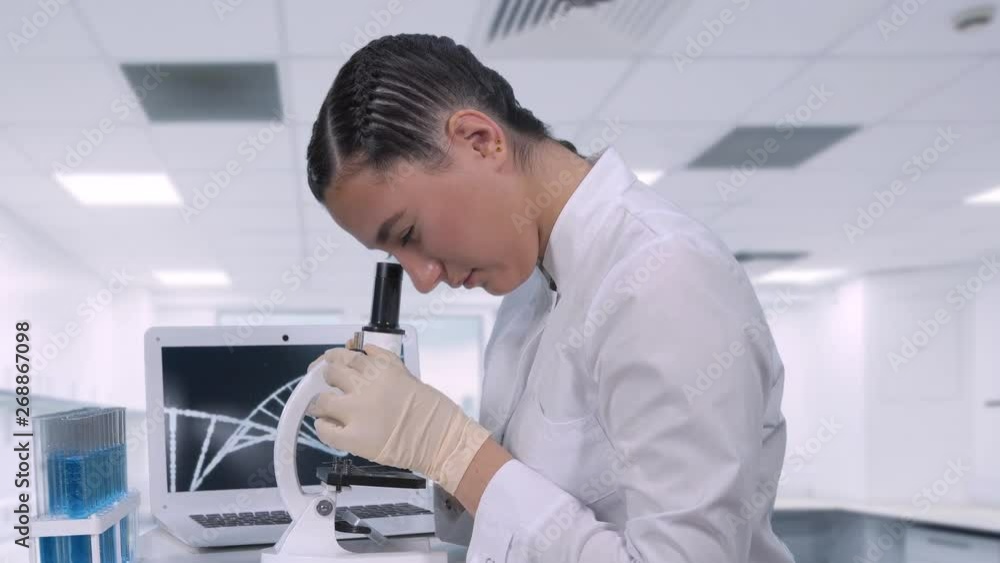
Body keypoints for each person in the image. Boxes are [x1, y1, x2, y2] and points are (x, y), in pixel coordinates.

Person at [303, 33, 794, 563]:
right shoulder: (530, 295)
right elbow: (512, 526)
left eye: (409, 234)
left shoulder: (664, 276)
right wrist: (413, 446)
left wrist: (450, 448)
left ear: (479, 140)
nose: (422, 278)